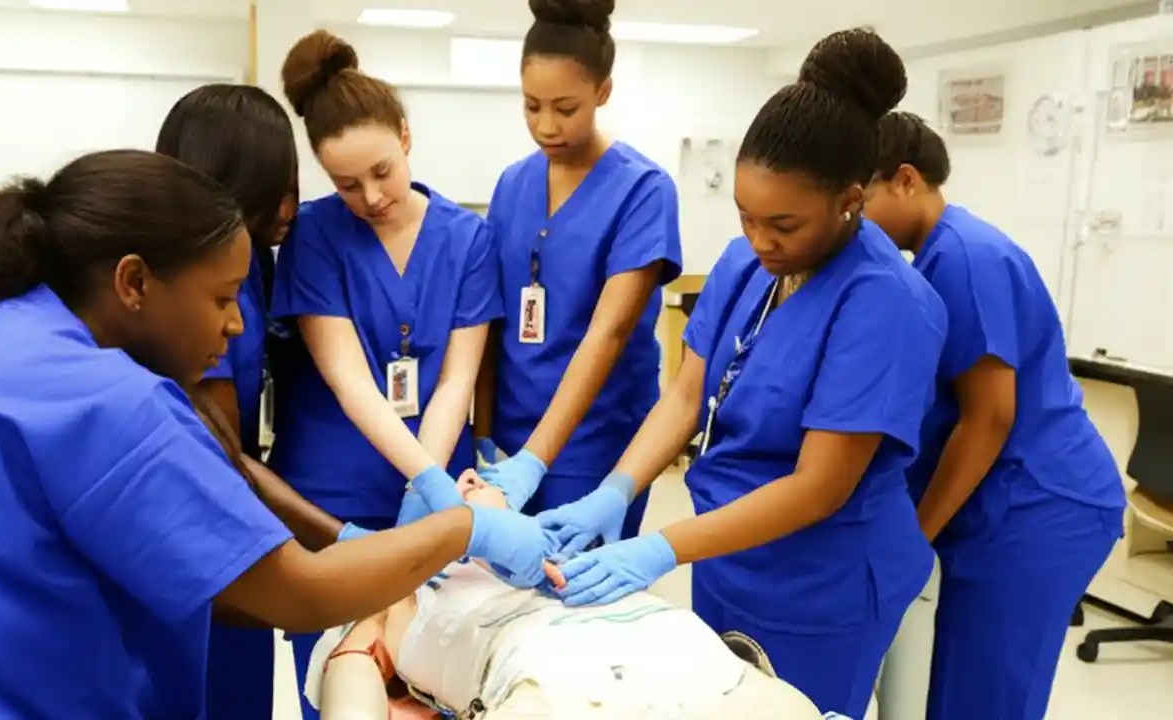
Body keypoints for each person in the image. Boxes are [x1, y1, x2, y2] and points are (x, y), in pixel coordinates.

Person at [0, 150, 554, 718]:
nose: (236, 327)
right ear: (134, 282)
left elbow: (217, 574)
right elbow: (298, 593)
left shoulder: (19, 336)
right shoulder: (102, 400)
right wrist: (465, 528)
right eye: (221, 298)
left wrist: (377, 555)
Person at [533, 29, 948, 718]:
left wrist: (660, 548)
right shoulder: (743, 263)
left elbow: (819, 487)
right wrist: (613, 492)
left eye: (783, 224)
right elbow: (687, 395)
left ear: (850, 199)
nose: (760, 240)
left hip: (822, 582)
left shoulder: (885, 303)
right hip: (728, 553)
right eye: (746, 216)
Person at [270, 29, 505, 717]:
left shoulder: (467, 238)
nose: (371, 196)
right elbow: (350, 383)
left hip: (433, 494)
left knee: (427, 683)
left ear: (406, 137)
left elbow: (457, 382)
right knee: (337, 679)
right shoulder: (314, 237)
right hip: (329, 495)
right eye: (346, 184)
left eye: (382, 171)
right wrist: (424, 478)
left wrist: (425, 492)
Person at [863, 111, 1125, 720]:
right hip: (1001, 501)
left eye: (862, 196)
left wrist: (915, 536)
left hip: (1040, 505)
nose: (854, 216)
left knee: (985, 697)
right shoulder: (930, 257)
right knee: (951, 686)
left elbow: (989, 418)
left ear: (905, 180)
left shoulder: (966, 257)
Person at [303, 473, 826, 720]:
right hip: (560, 693)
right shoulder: (406, 597)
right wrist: (387, 581)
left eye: (479, 480)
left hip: (710, 671)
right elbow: (351, 676)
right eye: (459, 489)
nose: (469, 477)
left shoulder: (589, 560)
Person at [474, 0, 682, 539]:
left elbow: (608, 333)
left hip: (595, 441)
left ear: (603, 92)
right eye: (531, 106)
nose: (546, 125)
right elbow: (491, 319)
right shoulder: (511, 185)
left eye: (565, 108)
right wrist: (484, 431)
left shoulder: (642, 190)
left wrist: (536, 460)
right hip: (509, 433)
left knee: (570, 600)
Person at [154, 83, 302, 720]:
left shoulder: (259, 267)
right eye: (277, 185)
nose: (292, 204)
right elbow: (222, 462)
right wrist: (337, 541)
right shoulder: (200, 295)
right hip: (199, 533)